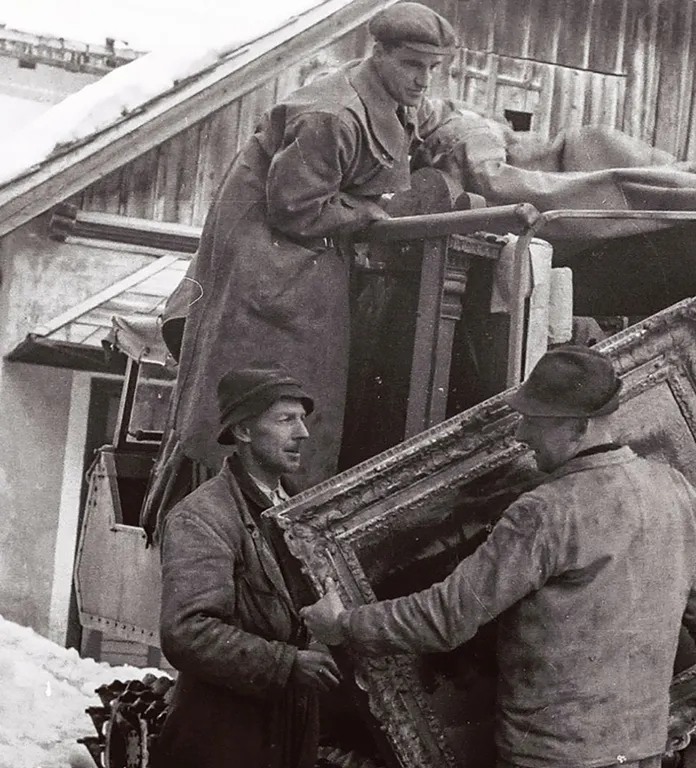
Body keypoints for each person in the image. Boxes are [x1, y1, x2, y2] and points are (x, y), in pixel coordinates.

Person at [300, 345, 696, 768]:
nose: (521, 434)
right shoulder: (673, 490)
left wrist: (344, 624)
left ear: (581, 426)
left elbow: (447, 617)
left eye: (535, 421)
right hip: (638, 751)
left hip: (553, 760)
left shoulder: (546, 511)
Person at [146, 3, 475, 530]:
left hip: (309, 246)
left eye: (433, 68)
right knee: (271, 388)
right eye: (414, 64)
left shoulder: (389, 95)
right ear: (380, 53)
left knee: (303, 390)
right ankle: (245, 520)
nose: (423, 78)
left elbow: (411, 132)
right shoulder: (333, 116)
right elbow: (294, 208)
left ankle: (284, 510)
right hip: (269, 255)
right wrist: (366, 212)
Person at [155, 366, 341, 768]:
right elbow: (187, 631)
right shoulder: (202, 516)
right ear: (242, 432)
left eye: (303, 419)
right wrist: (287, 664)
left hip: (288, 732)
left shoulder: (300, 511)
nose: (302, 433)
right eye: (285, 419)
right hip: (222, 740)